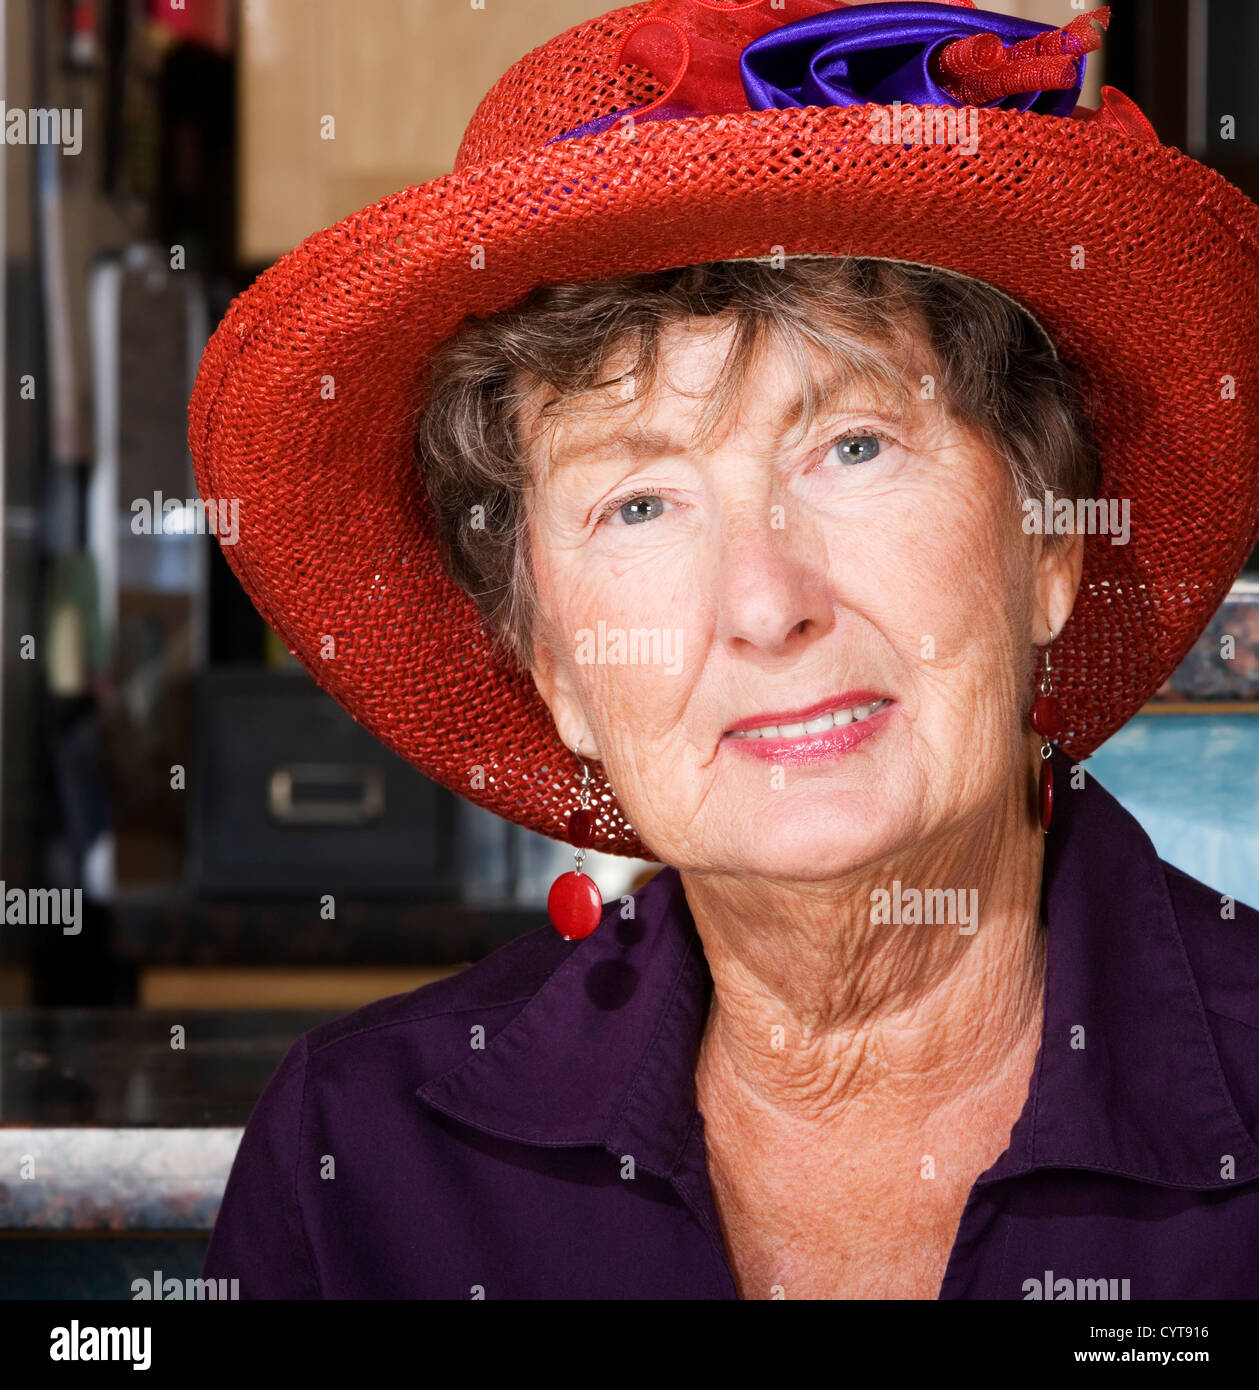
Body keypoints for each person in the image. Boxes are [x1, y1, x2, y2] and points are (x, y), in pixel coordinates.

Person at [189, 0, 1259, 1298]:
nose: (766, 603)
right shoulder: (363, 1162)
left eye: (852, 447)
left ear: (1047, 544)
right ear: (553, 663)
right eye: (638, 504)